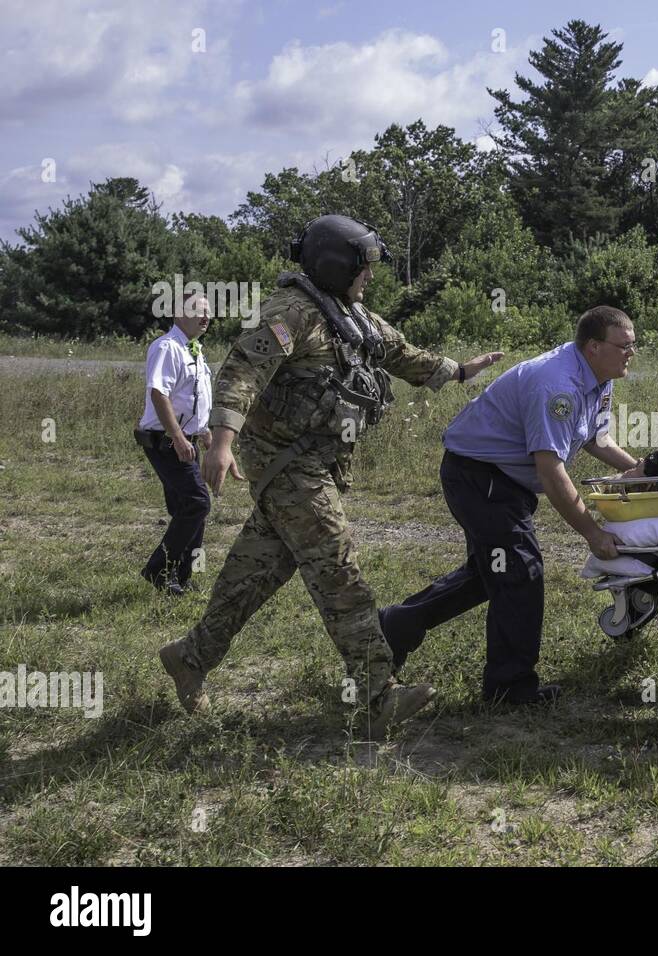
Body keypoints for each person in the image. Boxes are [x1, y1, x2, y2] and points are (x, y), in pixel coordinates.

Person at [157, 215, 502, 738]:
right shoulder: (289, 312)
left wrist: (457, 370)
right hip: (288, 467)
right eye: (364, 266)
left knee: (255, 573)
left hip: (315, 469)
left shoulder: (350, 315)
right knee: (337, 566)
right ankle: (376, 694)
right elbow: (242, 372)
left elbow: (398, 352)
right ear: (337, 265)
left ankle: (191, 655)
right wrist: (222, 441)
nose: (370, 277)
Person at [379, 307, 640, 706]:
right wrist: (593, 533)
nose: (631, 354)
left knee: (493, 571)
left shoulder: (599, 377)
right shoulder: (558, 385)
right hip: (478, 478)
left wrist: (641, 471)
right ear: (593, 347)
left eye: (633, 345)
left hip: (500, 480)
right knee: (519, 570)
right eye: (625, 346)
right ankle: (510, 687)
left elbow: (595, 439)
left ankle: (397, 625)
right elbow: (551, 472)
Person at [136, 292, 218, 596]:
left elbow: (193, 396)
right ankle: (158, 570)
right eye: (199, 310)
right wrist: (179, 437)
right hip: (166, 442)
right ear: (178, 313)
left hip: (185, 440)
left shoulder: (194, 349)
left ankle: (180, 578)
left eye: (209, 311)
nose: (206, 317)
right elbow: (159, 394)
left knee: (186, 506)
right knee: (198, 503)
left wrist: (203, 429)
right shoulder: (167, 347)